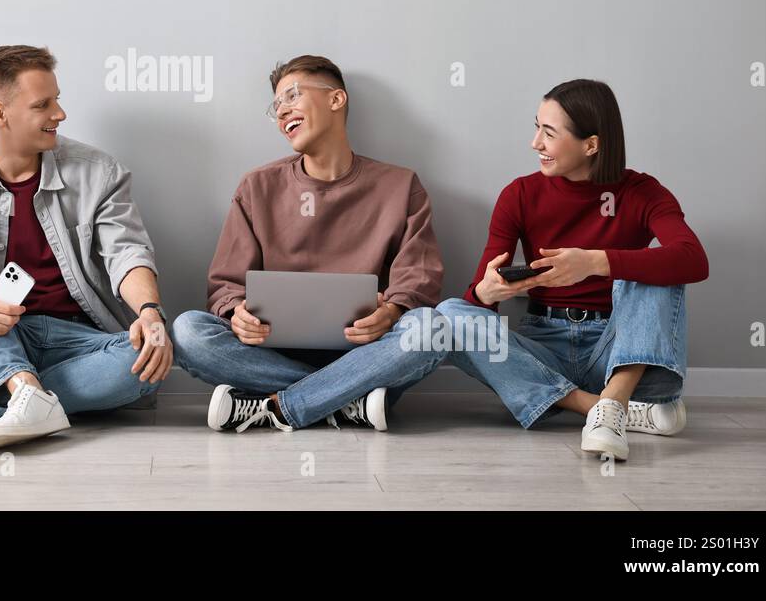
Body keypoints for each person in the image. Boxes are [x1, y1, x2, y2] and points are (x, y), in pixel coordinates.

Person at [0, 45, 174, 449]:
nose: (59, 114)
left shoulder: (100, 172)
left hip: (78, 341)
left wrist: (149, 312)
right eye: (43, 105)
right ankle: (18, 385)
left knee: (155, 354)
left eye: (57, 100)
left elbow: (127, 255)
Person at [170, 55, 449, 433]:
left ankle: (283, 406)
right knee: (188, 331)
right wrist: (237, 312)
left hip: (369, 351)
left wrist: (394, 310)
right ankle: (348, 402)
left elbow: (418, 276)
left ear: (336, 100)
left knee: (430, 328)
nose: (282, 111)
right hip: (272, 351)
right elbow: (226, 284)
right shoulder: (257, 186)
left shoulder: (401, 185)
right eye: (276, 105)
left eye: (292, 96)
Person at [437, 79, 708, 461]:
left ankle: (613, 401)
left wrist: (595, 261)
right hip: (542, 345)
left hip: (615, 351)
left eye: (549, 133)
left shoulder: (643, 193)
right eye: (537, 127)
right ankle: (600, 408)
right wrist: (486, 293)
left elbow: (693, 259)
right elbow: (478, 305)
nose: (536, 143)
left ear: (591, 145)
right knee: (449, 315)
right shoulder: (520, 195)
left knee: (658, 272)